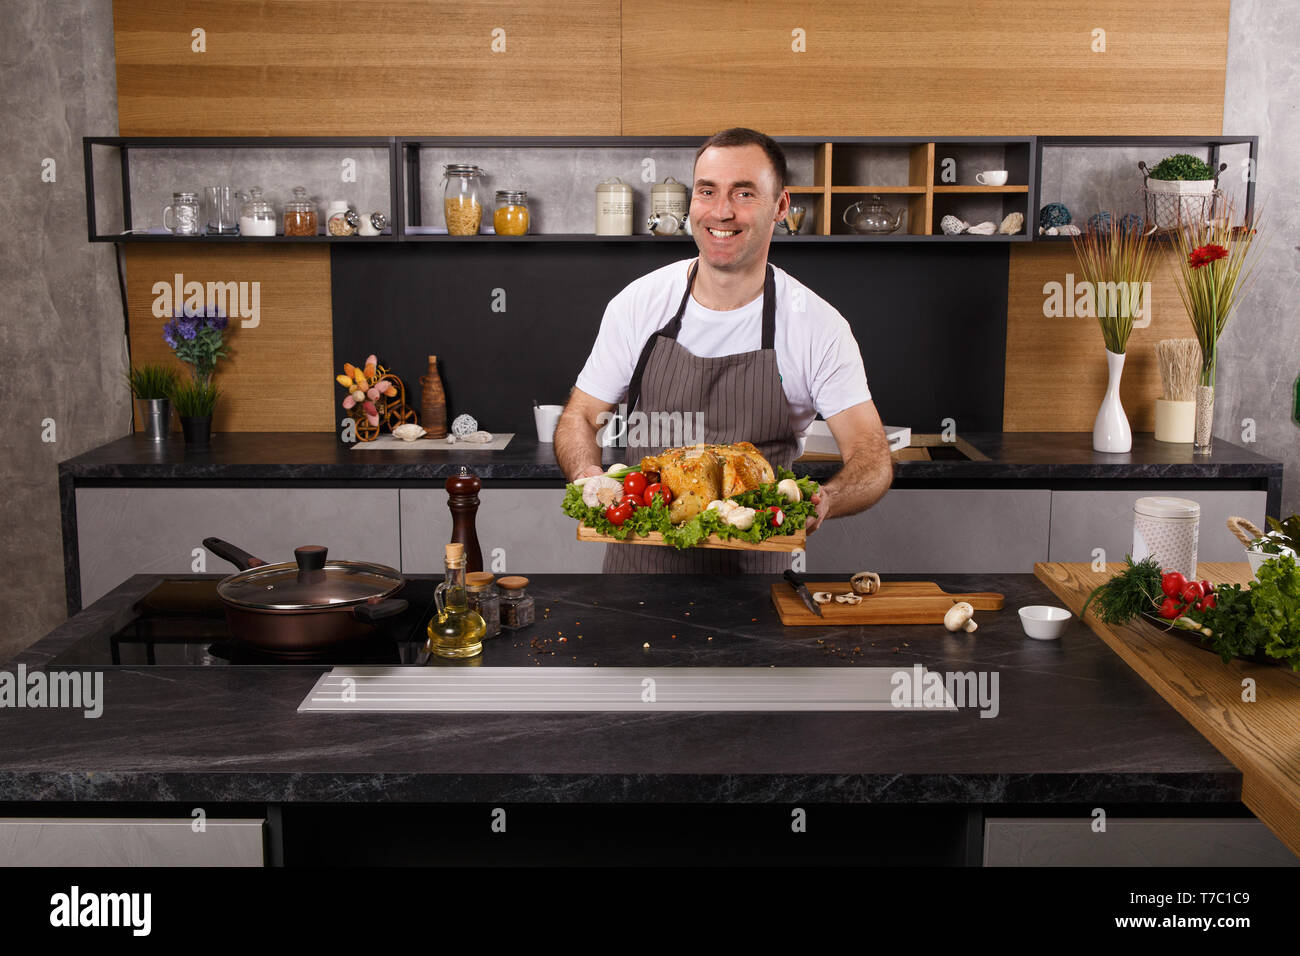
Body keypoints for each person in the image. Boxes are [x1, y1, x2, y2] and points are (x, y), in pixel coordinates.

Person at [555, 127, 893, 572]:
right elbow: (580, 416)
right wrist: (588, 477)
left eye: (744, 193)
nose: (721, 211)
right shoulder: (639, 304)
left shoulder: (817, 325)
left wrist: (825, 499)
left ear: (781, 207)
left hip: (758, 588)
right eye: (707, 191)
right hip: (637, 579)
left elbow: (872, 456)